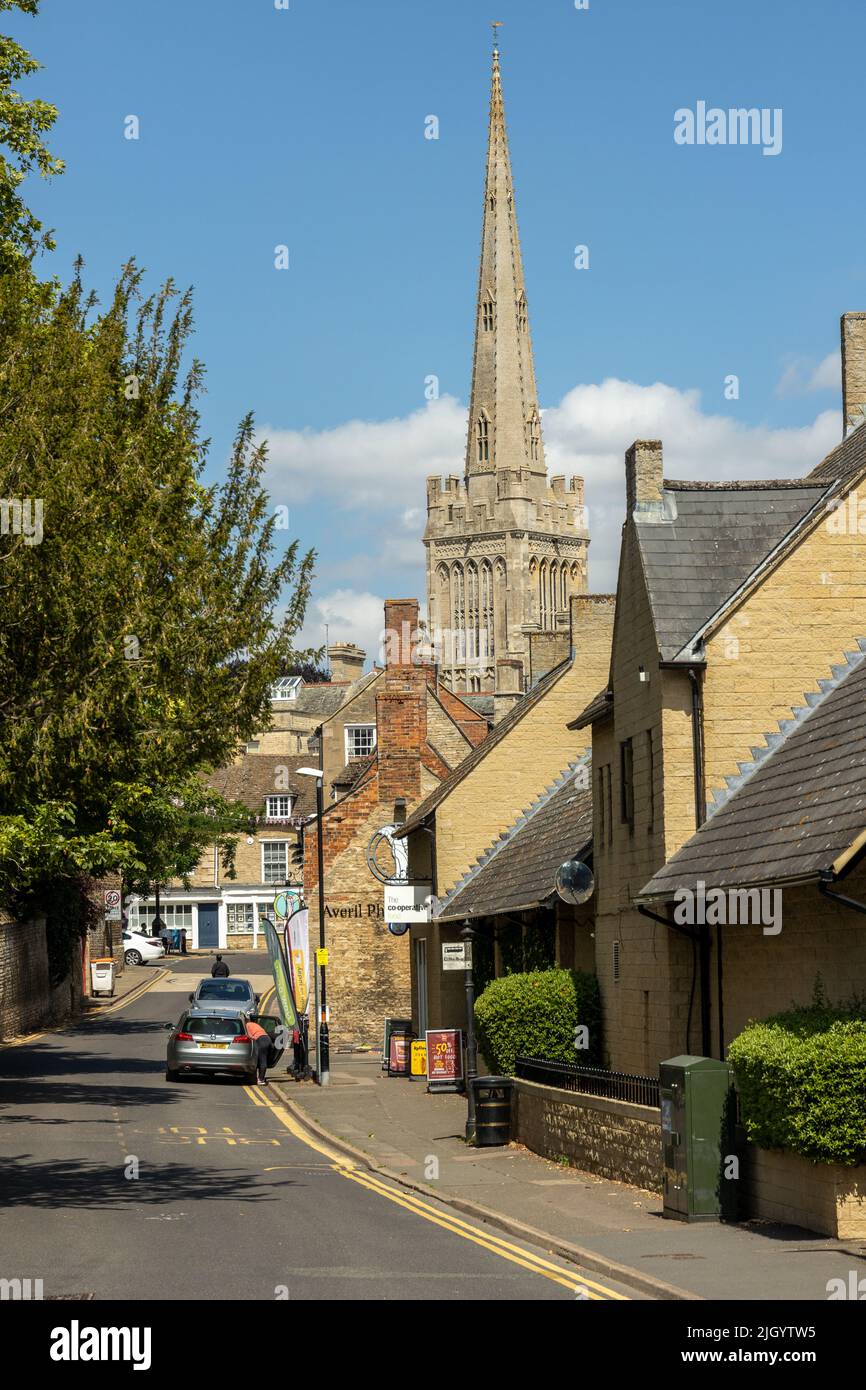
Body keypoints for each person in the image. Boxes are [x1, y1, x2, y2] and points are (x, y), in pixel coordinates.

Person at [246, 1016, 271, 1085]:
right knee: (263, 1059)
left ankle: (260, 1079)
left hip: (260, 1039)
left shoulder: (247, 1025)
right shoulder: (255, 1024)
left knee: (260, 1060)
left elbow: (250, 1036)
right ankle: (261, 1078)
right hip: (267, 1038)